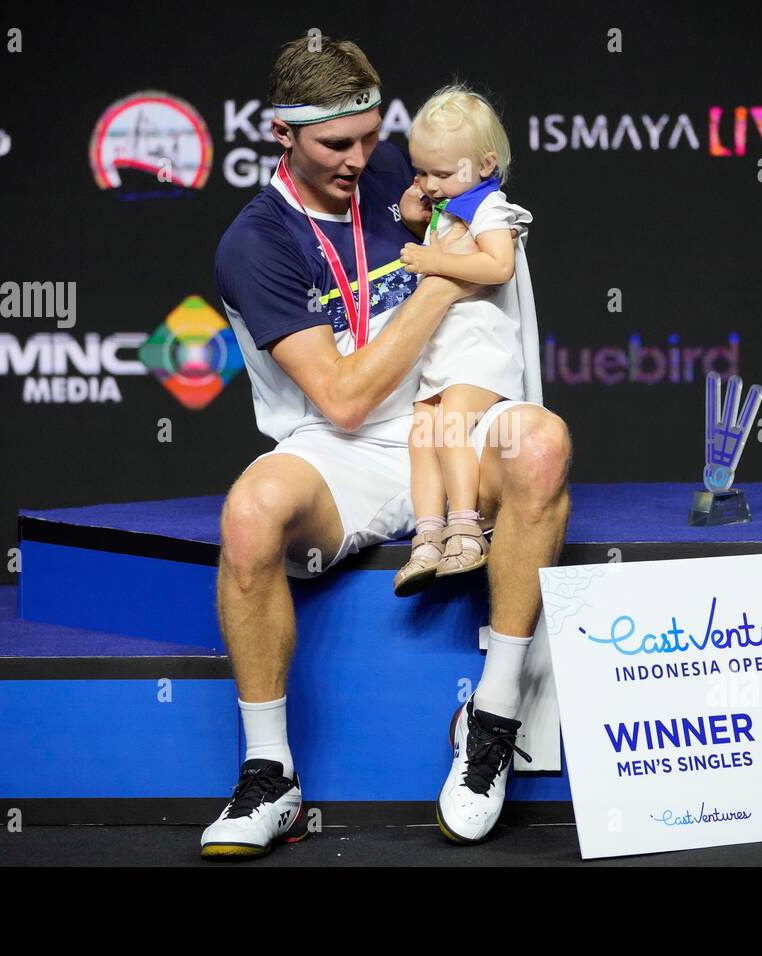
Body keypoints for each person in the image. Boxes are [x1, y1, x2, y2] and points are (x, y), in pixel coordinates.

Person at [201, 36, 571, 859]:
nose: (363, 160)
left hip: (450, 416)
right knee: (250, 511)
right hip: (338, 447)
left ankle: (493, 724)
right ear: (281, 135)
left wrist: (469, 252)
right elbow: (343, 396)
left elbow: (493, 240)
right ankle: (270, 776)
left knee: (542, 443)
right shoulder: (256, 244)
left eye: (373, 138)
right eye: (339, 144)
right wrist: (444, 279)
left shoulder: (403, 186)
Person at [391, 85, 544, 598]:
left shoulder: (490, 207)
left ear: (485, 164)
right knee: (422, 438)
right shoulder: (452, 203)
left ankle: (467, 528)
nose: (428, 185)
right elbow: (437, 227)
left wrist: (432, 260)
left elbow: (496, 265)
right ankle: (429, 533)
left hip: (480, 352)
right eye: (420, 173)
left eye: (439, 174)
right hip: (442, 355)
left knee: (453, 427)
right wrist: (417, 215)